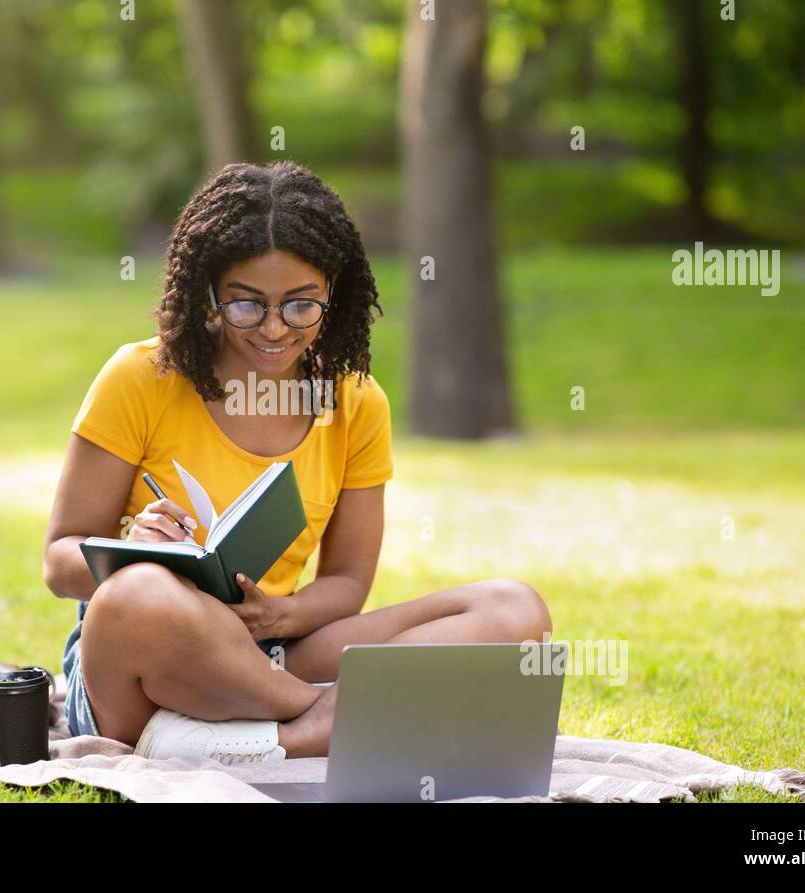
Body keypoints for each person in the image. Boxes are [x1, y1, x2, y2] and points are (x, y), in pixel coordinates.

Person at [42, 160, 551, 765]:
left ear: (333, 296)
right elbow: (58, 560)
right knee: (138, 594)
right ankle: (336, 716)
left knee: (514, 610)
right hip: (140, 668)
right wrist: (132, 548)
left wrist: (279, 613)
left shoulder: (356, 403)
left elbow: (347, 585)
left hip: (268, 653)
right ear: (209, 291)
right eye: (248, 305)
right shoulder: (140, 377)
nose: (275, 329)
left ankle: (281, 736)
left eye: (301, 305)